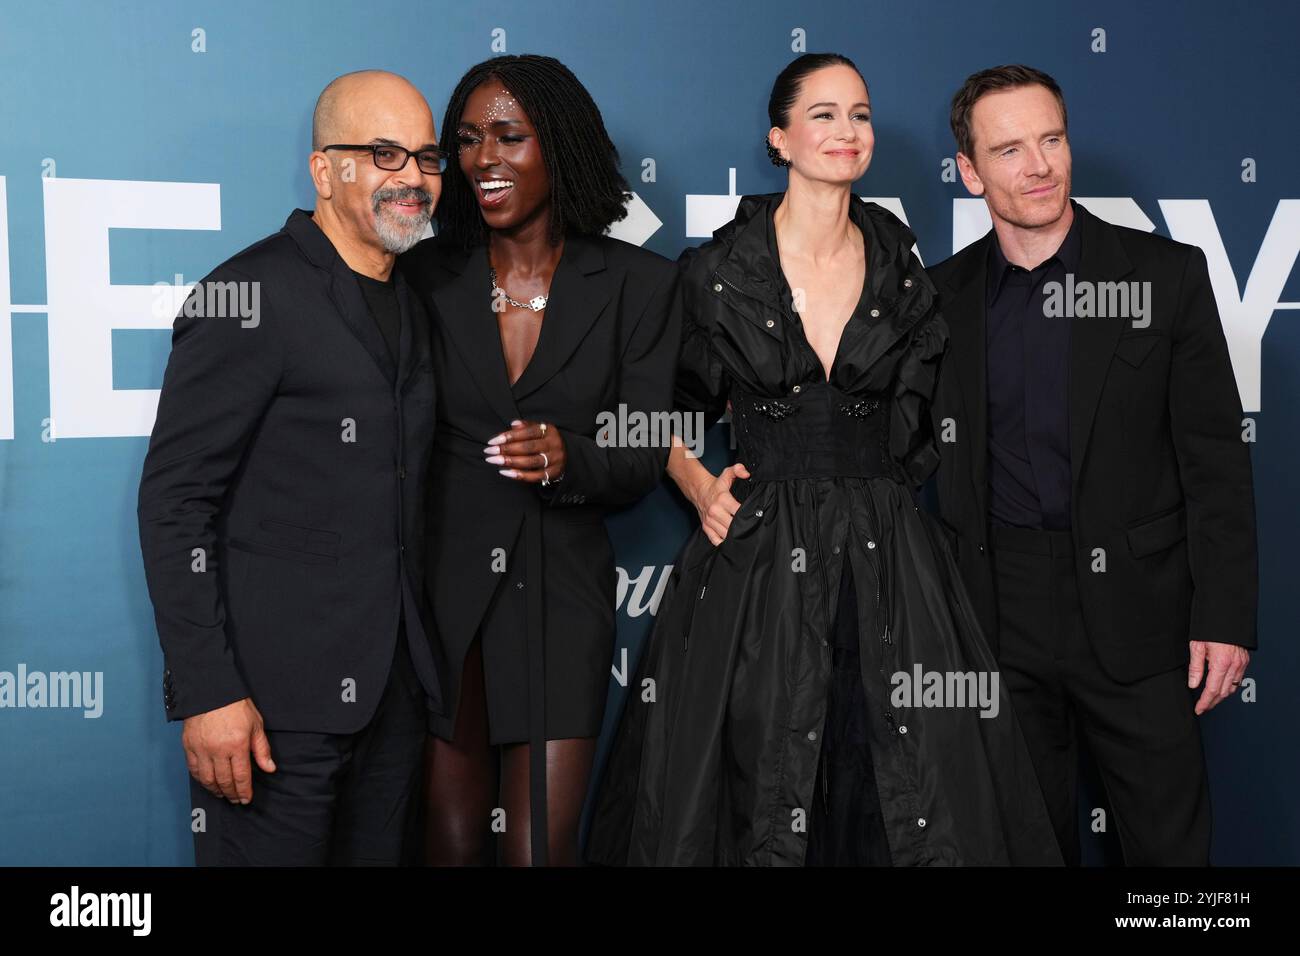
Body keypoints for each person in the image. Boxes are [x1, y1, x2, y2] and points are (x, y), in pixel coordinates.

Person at [585, 53, 1060, 866]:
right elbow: (637, 406)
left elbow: (928, 424)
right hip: (755, 566)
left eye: (862, 114)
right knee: (752, 778)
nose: (848, 131)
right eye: (825, 114)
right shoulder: (716, 273)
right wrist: (699, 484)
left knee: (908, 781)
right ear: (781, 137)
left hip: (891, 562)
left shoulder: (907, 272)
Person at [925, 64, 1257, 865]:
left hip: (1142, 613)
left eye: (1051, 139)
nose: (1038, 165)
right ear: (970, 172)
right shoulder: (939, 299)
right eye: (1008, 150)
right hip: (998, 612)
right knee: (1024, 845)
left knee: (1171, 860)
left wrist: (1223, 616)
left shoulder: (1164, 276)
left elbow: (1215, 459)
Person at [137, 70, 446, 865]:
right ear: (324, 170)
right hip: (270, 714)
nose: (412, 177)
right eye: (384, 154)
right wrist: (208, 693)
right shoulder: (245, 294)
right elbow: (176, 501)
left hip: (394, 702)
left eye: (426, 157)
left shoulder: (415, 300)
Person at [400, 54, 681, 866]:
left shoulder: (639, 284)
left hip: (560, 597)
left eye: (510, 136)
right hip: (442, 598)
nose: (485, 158)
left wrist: (570, 458)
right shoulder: (421, 277)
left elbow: (639, 452)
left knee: (539, 852)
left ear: (559, 147)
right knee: (448, 847)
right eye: (468, 141)